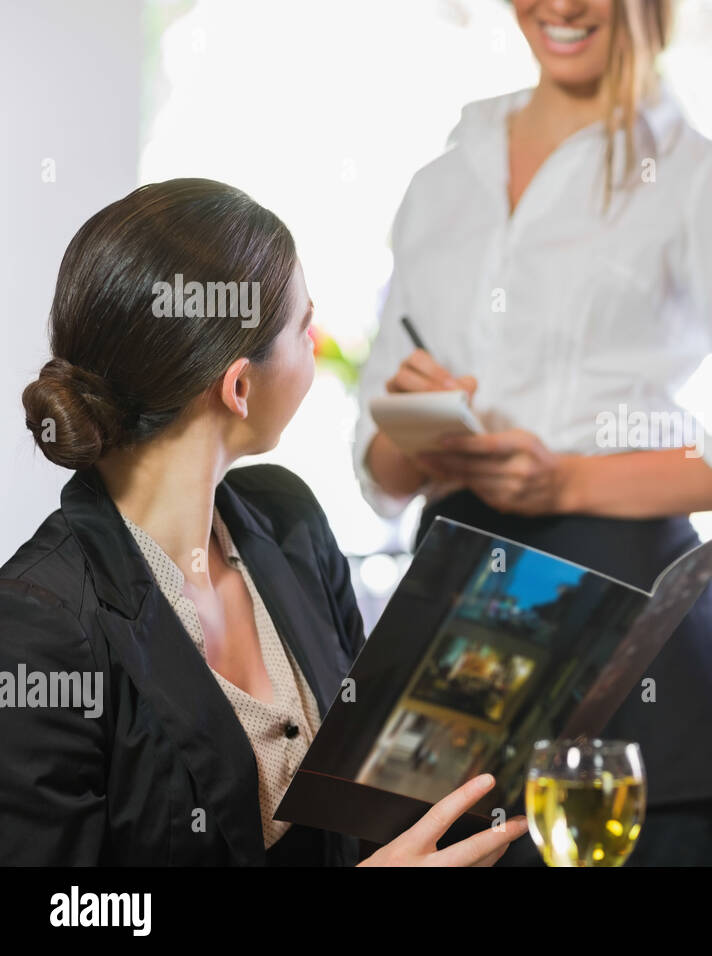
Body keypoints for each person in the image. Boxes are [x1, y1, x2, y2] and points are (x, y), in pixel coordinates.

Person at [353, 0, 712, 865]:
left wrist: (564, 481)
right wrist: (422, 437)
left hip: (636, 612)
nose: (561, 6)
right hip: (456, 618)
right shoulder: (441, 182)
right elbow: (377, 467)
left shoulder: (703, 177)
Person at [0, 178, 529, 865]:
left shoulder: (290, 519)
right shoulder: (40, 626)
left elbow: (367, 791)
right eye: (303, 325)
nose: (317, 339)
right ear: (239, 387)